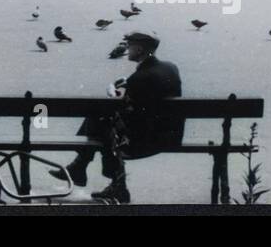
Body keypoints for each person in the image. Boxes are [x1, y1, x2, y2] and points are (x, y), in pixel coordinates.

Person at [52, 30, 182, 201]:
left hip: (145, 141)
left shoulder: (140, 77)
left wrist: (111, 92)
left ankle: (90, 172)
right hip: (170, 135)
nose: (127, 47)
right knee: (102, 119)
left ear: (141, 49)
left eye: (130, 44)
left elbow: (123, 109)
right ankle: (81, 168)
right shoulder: (170, 67)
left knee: (101, 117)